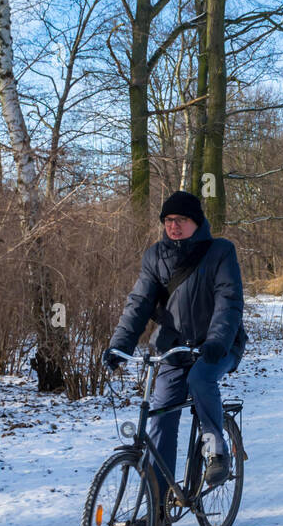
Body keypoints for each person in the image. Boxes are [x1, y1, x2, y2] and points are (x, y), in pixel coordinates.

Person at [102, 190, 247, 487]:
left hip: (218, 346)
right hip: (175, 350)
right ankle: (158, 500)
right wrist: (119, 345)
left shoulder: (220, 251)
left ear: (196, 221)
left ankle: (216, 453)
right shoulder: (155, 256)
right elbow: (139, 303)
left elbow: (228, 301)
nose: (173, 226)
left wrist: (217, 340)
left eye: (180, 219)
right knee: (160, 414)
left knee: (200, 379)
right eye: (168, 220)